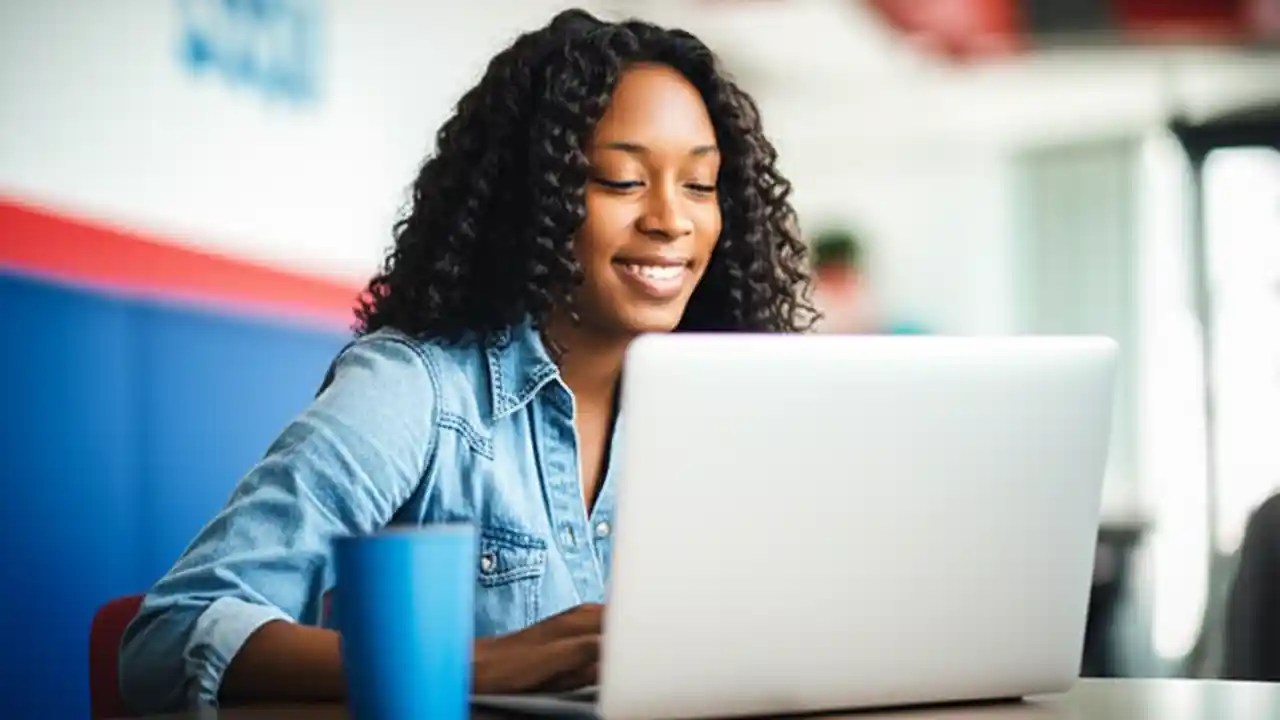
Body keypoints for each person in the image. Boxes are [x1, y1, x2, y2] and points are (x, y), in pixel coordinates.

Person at [119, 8, 816, 713]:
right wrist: (476, 664)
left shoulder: (722, 413)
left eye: (701, 185)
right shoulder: (415, 390)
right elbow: (166, 638)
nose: (671, 219)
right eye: (620, 180)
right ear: (534, 198)